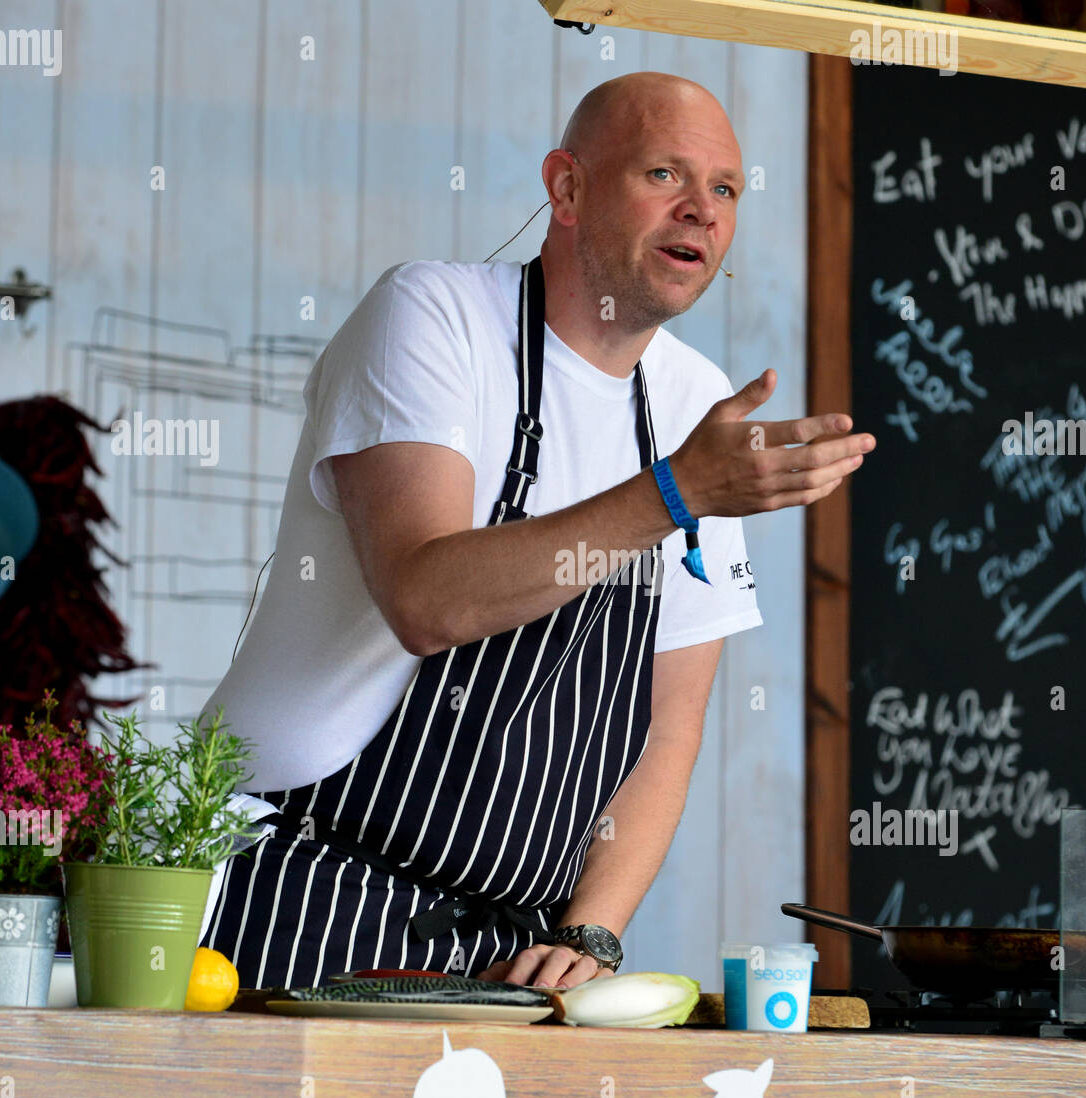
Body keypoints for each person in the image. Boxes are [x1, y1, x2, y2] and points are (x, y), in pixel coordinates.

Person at [198, 71, 874, 992]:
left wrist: (591, 932)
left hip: (506, 952)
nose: (701, 213)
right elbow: (426, 598)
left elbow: (667, 732)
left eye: (723, 190)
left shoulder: (693, 403)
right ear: (567, 188)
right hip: (299, 884)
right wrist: (678, 489)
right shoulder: (434, 318)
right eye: (664, 175)